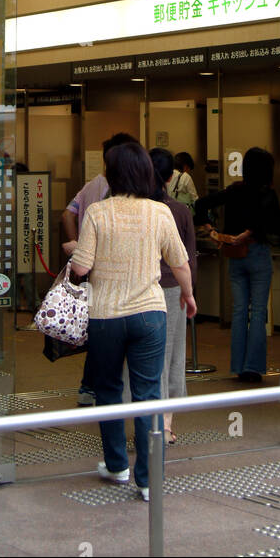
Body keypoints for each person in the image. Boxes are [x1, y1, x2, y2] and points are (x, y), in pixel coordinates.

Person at [67, 141, 196, 500]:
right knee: (148, 394)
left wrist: (75, 253)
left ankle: (117, 466)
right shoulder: (160, 213)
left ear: (112, 174)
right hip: (150, 314)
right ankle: (149, 479)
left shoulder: (97, 212)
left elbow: (81, 266)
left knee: (108, 390)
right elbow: (179, 263)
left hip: (106, 316)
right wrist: (187, 296)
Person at [62, 131, 138, 406]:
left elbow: (67, 213)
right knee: (108, 330)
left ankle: (88, 387)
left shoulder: (92, 183)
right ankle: (101, 389)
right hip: (108, 270)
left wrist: (76, 243)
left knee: (96, 327)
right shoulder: (116, 191)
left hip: (87, 266)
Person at [195, 146, 280, 382]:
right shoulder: (267, 193)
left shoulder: (234, 190)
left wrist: (212, 232)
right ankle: (252, 368)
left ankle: (237, 366)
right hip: (257, 253)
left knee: (239, 311)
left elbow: (201, 204)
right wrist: (249, 232)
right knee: (258, 312)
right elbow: (274, 224)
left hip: (235, 256)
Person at [149, 147, 197, 444]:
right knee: (173, 354)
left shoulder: (138, 207)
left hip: (143, 288)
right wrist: (191, 292)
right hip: (174, 288)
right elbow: (189, 257)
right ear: (170, 177)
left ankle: (151, 420)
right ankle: (166, 423)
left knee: (149, 356)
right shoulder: (179, 211)